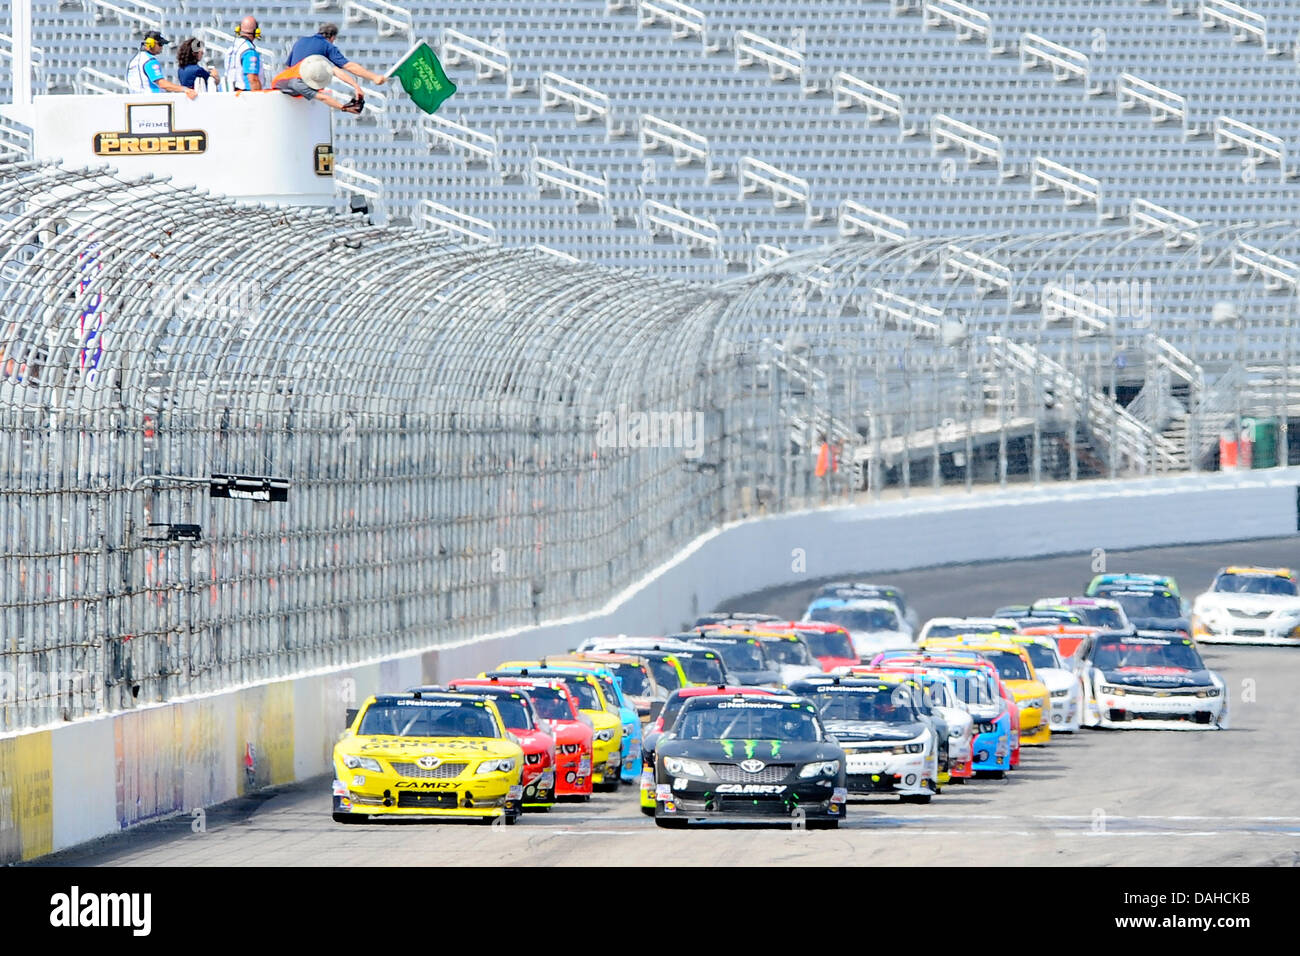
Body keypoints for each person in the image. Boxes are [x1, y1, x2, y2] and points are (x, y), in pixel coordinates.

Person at [288, 23, 387, 87]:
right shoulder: (327, 45)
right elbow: (349, 66)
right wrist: (374, 77)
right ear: (332, 37)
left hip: (289, 82)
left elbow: (289, 65)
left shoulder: (301, 41)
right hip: (305, 86)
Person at [270, 54, 363, 113]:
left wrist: (356, 87)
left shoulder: (313, 64)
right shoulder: (298, 84)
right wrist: (345, 108)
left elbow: (335, 70)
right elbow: (323, 98)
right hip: (283, 97)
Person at [126, 31, 197, 99]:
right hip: (152, 101)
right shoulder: (149, 61)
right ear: (150, 44)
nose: (162, 47)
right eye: (160, 44)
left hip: (138, 100)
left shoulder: (136, 59)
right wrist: (185, 89)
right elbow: (162, 84)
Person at [223, 15, 263, 91]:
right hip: (246, 95)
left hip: (231, 94)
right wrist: (259, 100)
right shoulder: (249, 51)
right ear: (256, 32)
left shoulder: (232, 48)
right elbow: (253, 79)